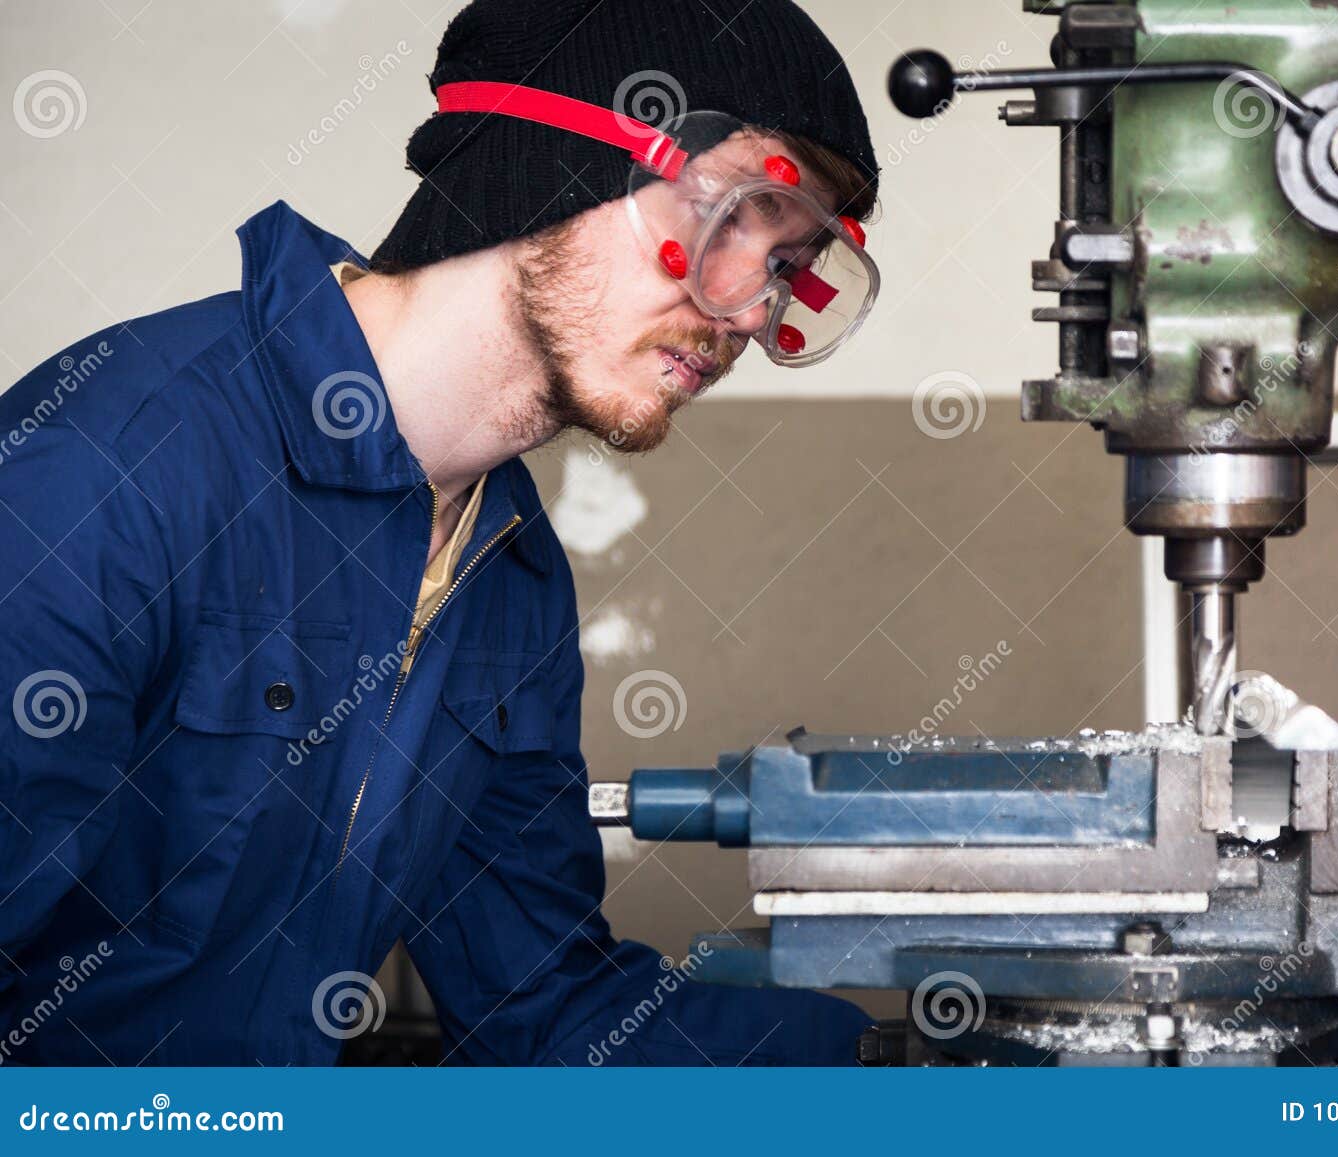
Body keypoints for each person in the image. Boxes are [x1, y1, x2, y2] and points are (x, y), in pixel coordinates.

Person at [0, 0, 881, 1065]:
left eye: (787, 267)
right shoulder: (110, 472)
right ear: (559, 159)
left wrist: (899, 1070)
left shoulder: (508, 569)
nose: (747, 311)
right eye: (731, 221)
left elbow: (542, 1011)